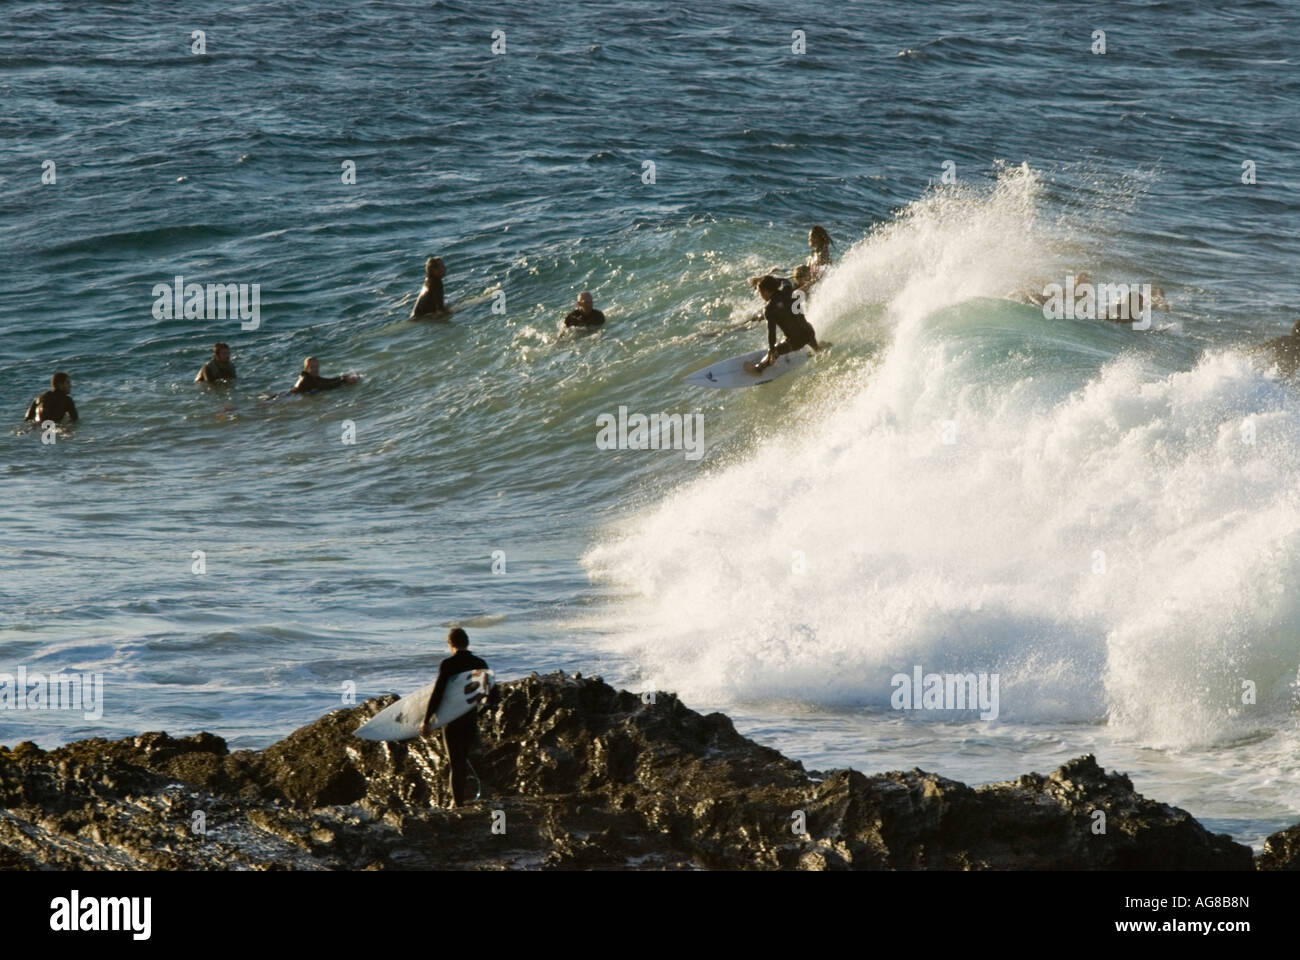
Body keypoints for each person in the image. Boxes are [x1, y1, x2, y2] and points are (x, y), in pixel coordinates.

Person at [419, 628, 490, 808]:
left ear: (450, 644)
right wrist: (478, 713)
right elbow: (490, 696)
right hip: (469, 718)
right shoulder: (480, 663)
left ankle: (457, 804)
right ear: (467, 642)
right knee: (464, 759)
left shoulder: (448, 664)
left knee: (456, 763)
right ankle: (461, 801)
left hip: (452, 720)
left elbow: (438, 693)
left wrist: (427, 720)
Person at [744, 274, 821, 374]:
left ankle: (759, 369)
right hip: (809, 332)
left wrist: (772, 351)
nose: (760, 295)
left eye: (760, 292)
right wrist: (763, 279)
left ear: (765, 291)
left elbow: (772, 332)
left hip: (795, 342)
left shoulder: (769, 308)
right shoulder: (788, 290)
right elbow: (784, 280)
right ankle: (818, 348)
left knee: (776, 349)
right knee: (805, 330)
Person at [291, 357, 360, 393]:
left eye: (316, 366)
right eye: (312, 367)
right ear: (306, 369)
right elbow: (326, 387)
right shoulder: (306, 379)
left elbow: (326, 381)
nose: (315, 369)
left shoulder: (311, 376)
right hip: (290, 397)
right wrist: (344, 381)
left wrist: (343, 377)